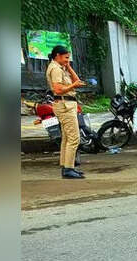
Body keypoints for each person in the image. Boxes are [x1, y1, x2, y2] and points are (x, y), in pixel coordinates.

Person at [46, 45, 85, 179]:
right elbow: (57, 89)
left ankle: (65, 166)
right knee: (74, 138)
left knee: (67, 138)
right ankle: (69, 169)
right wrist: (73, 86)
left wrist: (68, 67)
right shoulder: (55, 69)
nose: (68, 60)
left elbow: (77, 80)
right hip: (64, 105)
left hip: (67, 104)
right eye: (66, 57)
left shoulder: (61, 68)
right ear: (57, 55)